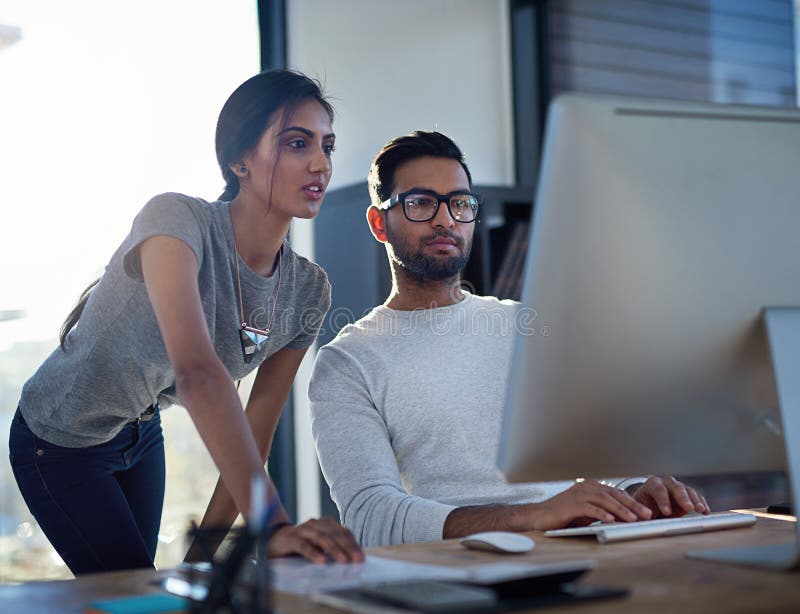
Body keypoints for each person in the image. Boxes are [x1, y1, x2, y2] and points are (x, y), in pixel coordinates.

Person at [8, 69, 363, 575]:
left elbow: (254, 432)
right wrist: (273, 526)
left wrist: (204, 566)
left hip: (140, 434)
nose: (319, 163)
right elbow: (198, 374)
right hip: (59, 438)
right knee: (132, 589)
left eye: (326, 146)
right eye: (296, 143)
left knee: (156, 592)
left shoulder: (309, 290)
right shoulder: (175, 221)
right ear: (239, 160)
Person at [309, 130, 709, 548]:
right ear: (379, 223)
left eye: (460, 203)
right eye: (422, 203)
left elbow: (602, 457)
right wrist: (532, 517)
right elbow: (373, 518)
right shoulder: (348, 362)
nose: (445, 219)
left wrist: (638, 492)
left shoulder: (526, 324)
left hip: (580, 549)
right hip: (459, 571)